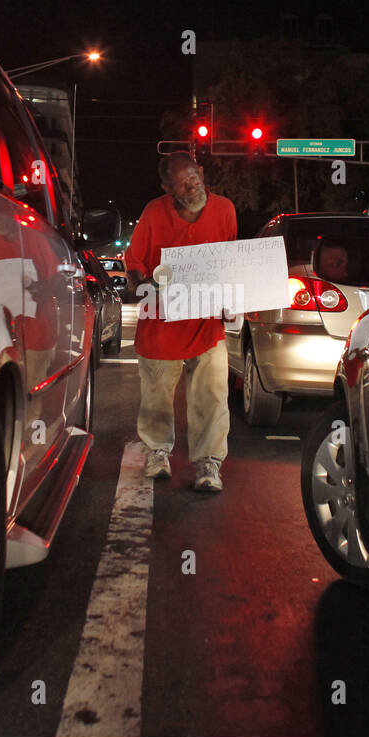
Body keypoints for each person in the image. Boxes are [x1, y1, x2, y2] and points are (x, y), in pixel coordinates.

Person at [125, 151, 237, 492]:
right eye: (184, 183)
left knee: (212, 396)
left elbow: (230, 259)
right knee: (157, 395)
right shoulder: (153, 212)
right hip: (162, 321)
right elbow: (134, 263)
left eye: (196, 177)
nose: (194, 185)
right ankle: (158, 452)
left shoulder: (225, 210)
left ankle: (208, 463)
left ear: (201, 172)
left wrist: (233, 300)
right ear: (167, 187)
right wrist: (142, 284)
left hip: (206, 322)